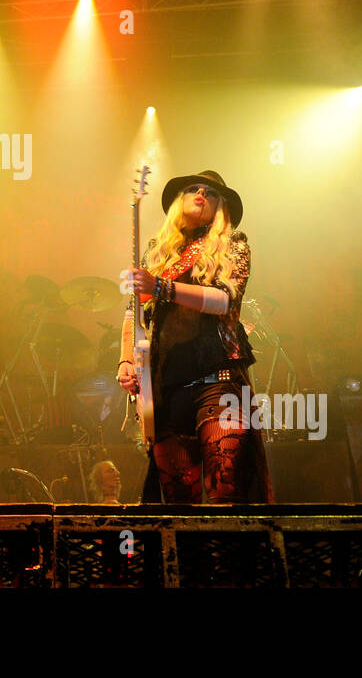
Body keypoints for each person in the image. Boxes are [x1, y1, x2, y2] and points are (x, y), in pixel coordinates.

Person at [119, 171, 271, 504]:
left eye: (212, 192)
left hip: (218, 380)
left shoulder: (233, 244)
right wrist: (127, 359)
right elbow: (132, 311)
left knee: (225, 489)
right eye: (193, 189)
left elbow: (224, 300)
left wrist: (161, 287)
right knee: (177, 502)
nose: (201, 194)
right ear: (178, 201)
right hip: (166, 387)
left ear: (222, 207)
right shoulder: (156, 254)